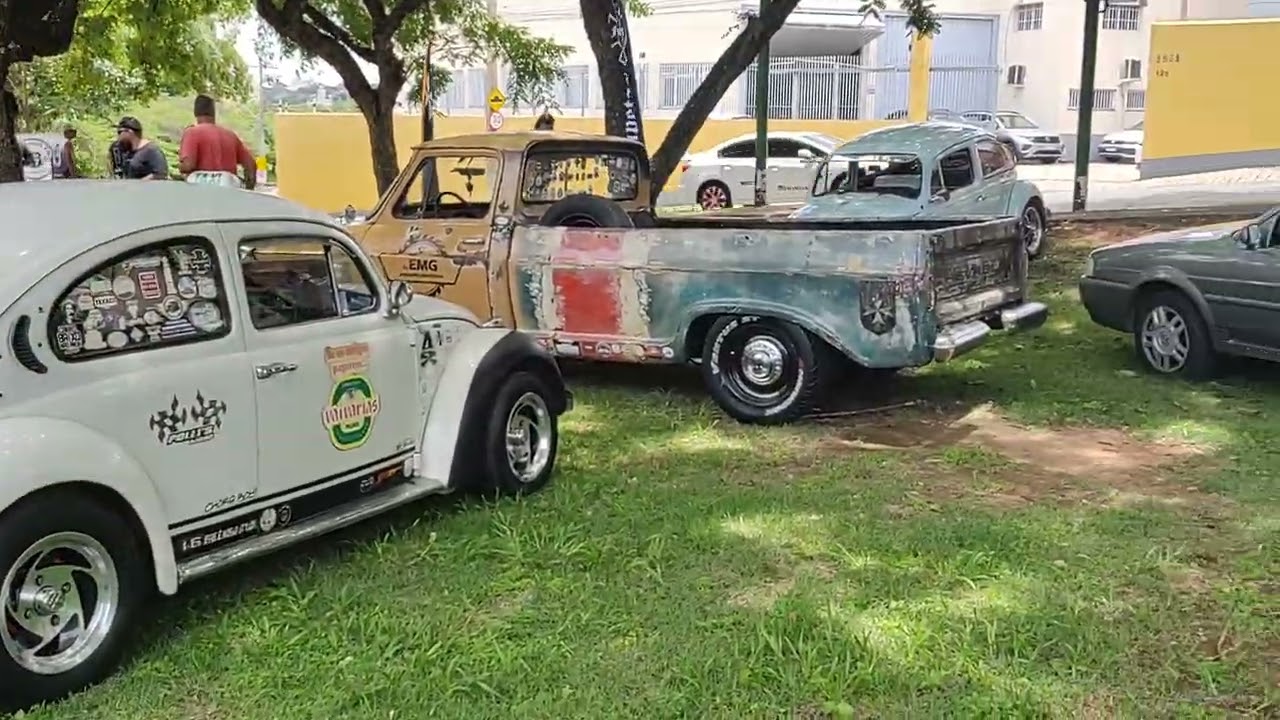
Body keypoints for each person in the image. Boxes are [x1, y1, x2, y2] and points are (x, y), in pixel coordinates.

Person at [178, 94, 256, 189]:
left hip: (200, 190)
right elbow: (251, 164)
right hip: (229, 188)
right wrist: (249, 188)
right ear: (213, 112)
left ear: (195, 112)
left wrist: (181, 166)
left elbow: (189, 165)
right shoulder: (230, 135)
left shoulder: (191, 132)